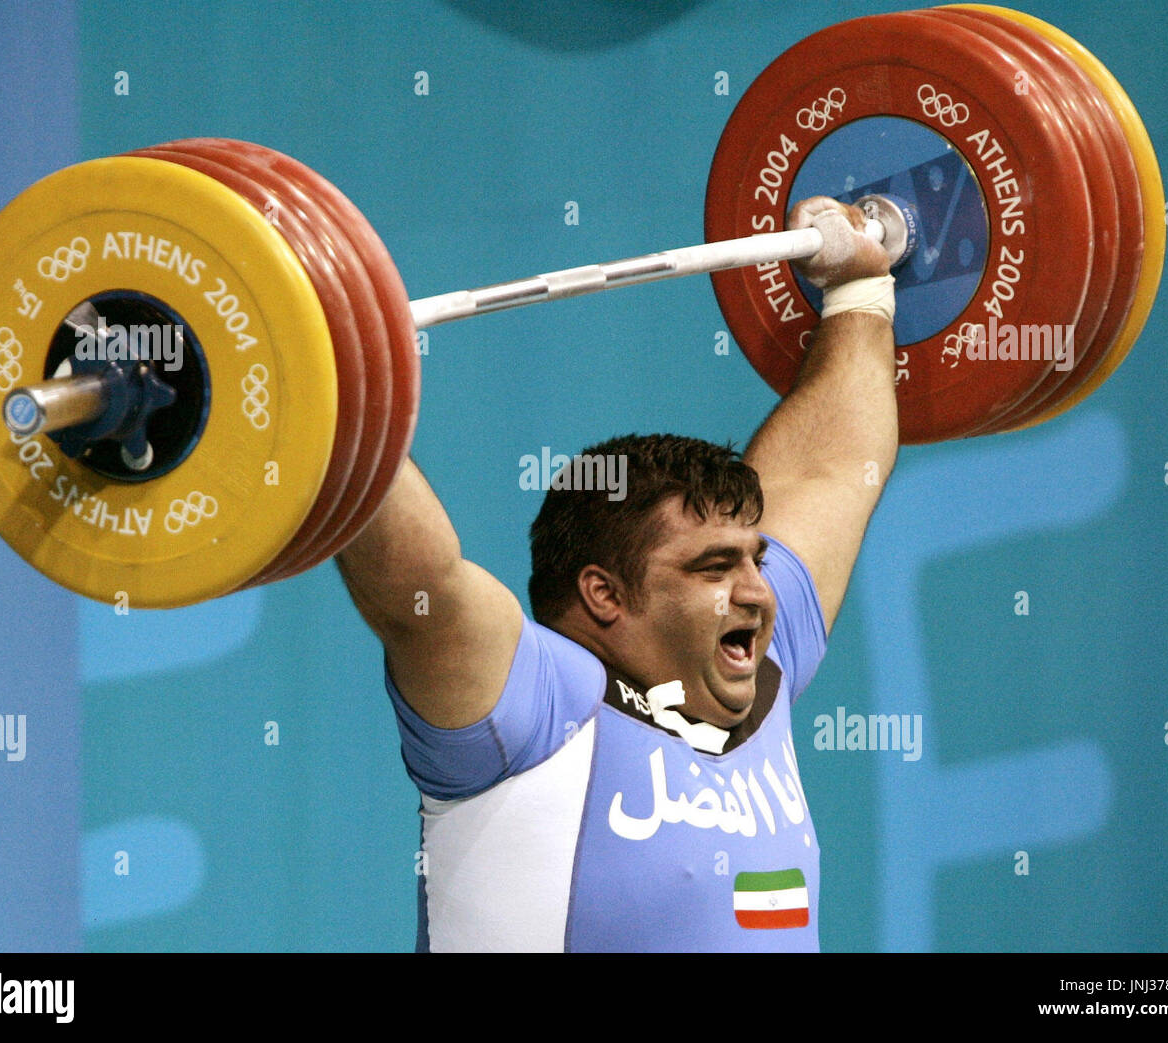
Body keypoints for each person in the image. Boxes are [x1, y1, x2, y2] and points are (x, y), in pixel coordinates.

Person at [336, 197, 897, 951]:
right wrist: (338, 398)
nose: (758, 591)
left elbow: (831, 468)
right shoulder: (537, 707)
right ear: (605, 593)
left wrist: (860, 288)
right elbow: (421, 588)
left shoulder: (760, 665)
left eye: (755, 558)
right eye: (714, 567)